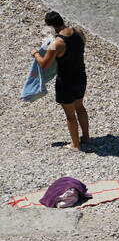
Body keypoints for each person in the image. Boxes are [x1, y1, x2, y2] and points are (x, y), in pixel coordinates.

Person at [31, 12, 89, 151]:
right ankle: (86, 137)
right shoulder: (79, 32)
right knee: (80, 106)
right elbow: (82, 45)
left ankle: (75, 144)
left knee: (70, 115)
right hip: (80, 76)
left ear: (51, 27)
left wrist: (35, 53)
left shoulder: (57, 44)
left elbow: (44, 64)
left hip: (66, 82)